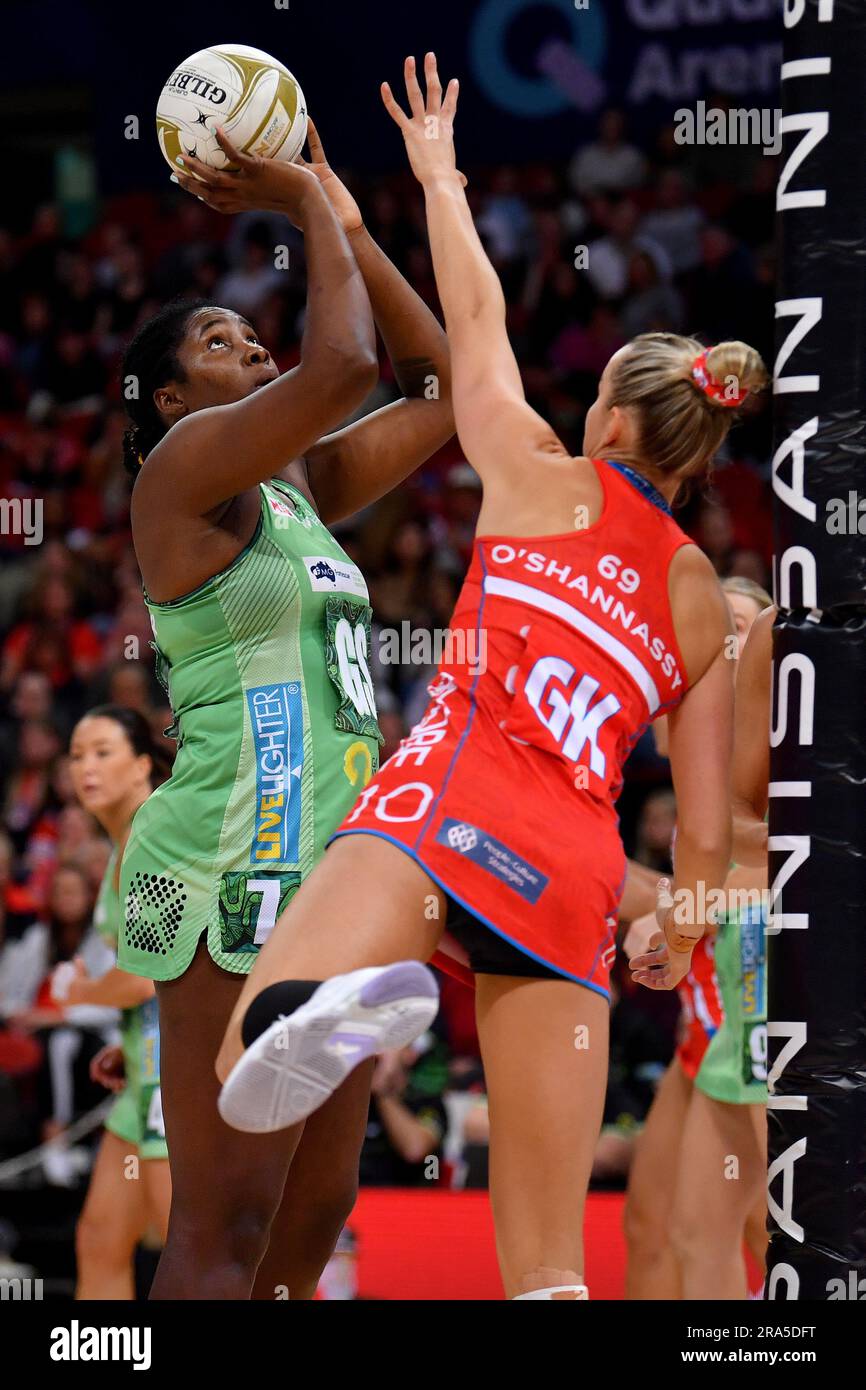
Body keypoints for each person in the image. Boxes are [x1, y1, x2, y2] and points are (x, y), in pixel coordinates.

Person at [217, 54, 769, 1302]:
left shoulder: (532, 472)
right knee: (548, 1278)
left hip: (447, 807)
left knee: (248, 1066)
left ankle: (374, 1007)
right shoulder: (699, 596)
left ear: (612, 426)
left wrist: (434, 177)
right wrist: (676, 937)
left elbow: (474, 321)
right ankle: (384, 1003)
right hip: (567, 877)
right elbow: (698, 839)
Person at [116, 116, 454, 1300]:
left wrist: (352, 227)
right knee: (225, 1224)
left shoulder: (299, 481)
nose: (248, 340)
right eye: (218, 339)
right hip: (228, 860)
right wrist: (306, 198)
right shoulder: (182, 478)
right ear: (166, 400)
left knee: (311, 1220)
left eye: (253, 329)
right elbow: (347, 369)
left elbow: (447, 384)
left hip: (332, 866)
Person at [623, 577, 771, 1299]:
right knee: (669, 1230)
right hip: (712, 1016)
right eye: (718, 624)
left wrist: (678, 907)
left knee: (780, 1229)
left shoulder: (776, 753)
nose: (726, 638)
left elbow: (785, 877)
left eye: (741, 625)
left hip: (761, 999)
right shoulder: (695, 751)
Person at [56, 706, 171, 1300]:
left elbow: (148, 976)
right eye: (77, 755)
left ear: (143, 764)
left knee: (187, 1253)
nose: (86, 768)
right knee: (100, 1238)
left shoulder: (154, 832)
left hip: (177, 1080)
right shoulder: (121, 847)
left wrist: (79, 995)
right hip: (141, 1072)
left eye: (103, 752)